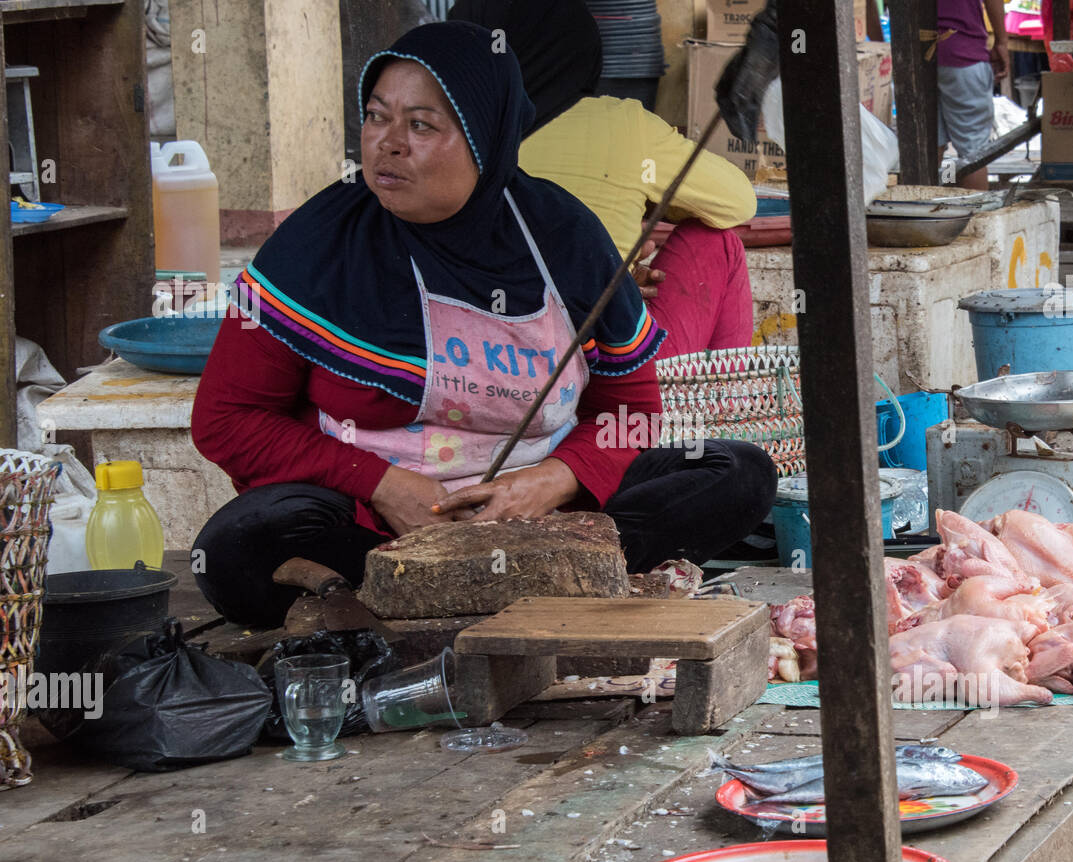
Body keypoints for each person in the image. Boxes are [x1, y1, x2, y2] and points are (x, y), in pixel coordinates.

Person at [189, 22, 777, 627]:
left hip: (545, 523)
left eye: (421, 125)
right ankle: (510, 593)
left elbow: (629, 411)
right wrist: (385, 485)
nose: (387, 143)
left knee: (737, 472)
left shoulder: (562, 235)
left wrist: (552, 482)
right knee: (234, 550)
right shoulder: (315, 245)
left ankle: (504, 584)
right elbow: (225, 420)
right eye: (375, 116)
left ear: (484, 138)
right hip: (376, 524)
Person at [449, 0, 759, 358]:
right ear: (579, 51)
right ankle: (725, 400)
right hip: (612, 361)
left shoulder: (450, 134)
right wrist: (649, 205)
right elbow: (740, 202)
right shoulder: (623, 126)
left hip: (478, 359)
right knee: (718, 241)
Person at [936, 0, 1009, 189]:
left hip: (920, 55)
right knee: (972, 152)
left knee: (930, 142)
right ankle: (974, 216)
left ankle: (926, 212)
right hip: (962, 53)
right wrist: (1001, 41)